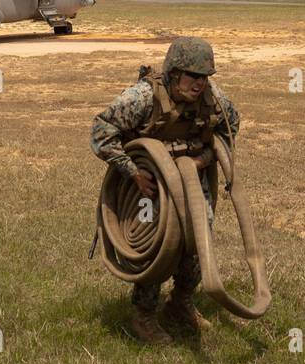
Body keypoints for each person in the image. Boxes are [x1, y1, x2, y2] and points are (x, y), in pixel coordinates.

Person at [90, 36, 240, 344]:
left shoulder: (213, 98)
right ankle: (143, 314)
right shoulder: (143, 98)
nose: (200, 84)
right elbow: (101, 131)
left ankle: (180, 303)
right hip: (148, 185)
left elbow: (231, 128)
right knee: (156, 247)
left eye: (204, 77)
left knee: (199, 241)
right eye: (193, 76)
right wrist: (133, 172)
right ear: (173, 73)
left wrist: (205, 158)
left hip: (193, 180)